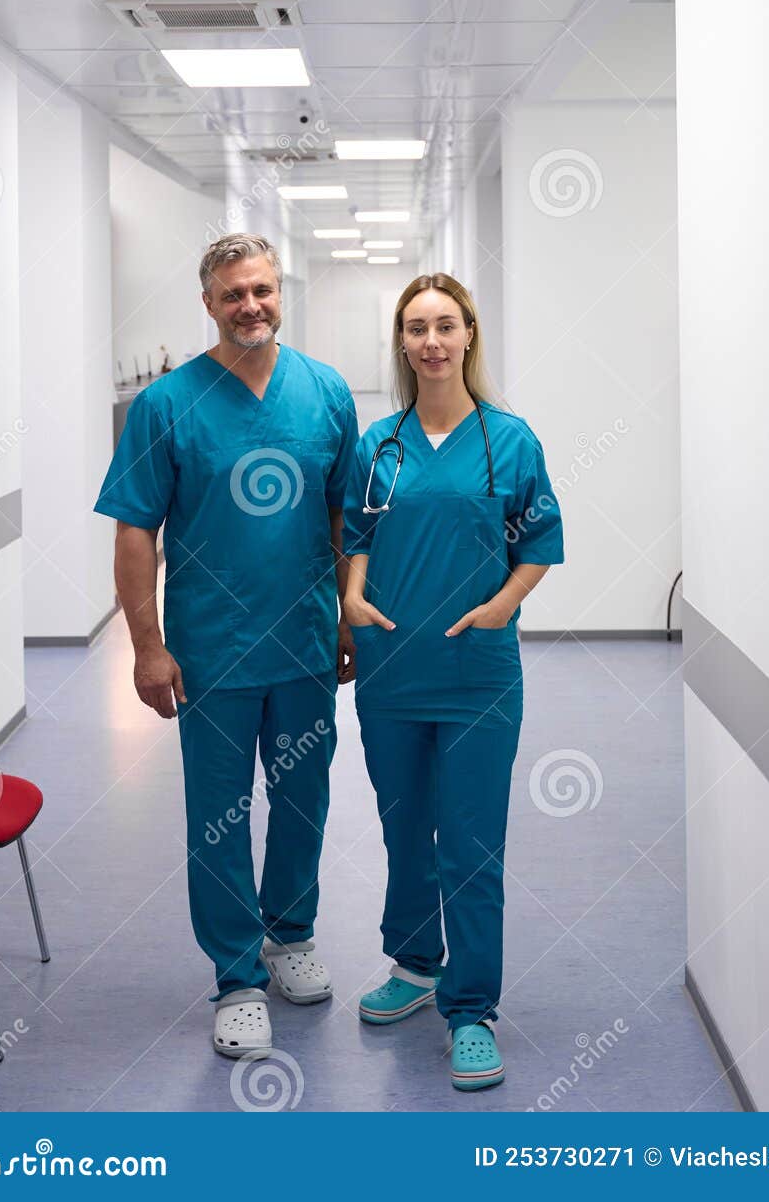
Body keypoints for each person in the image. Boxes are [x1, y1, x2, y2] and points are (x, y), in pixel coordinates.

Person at [93, 234, 357, 1061]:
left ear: (282, 295)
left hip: (307, 639)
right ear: (207, 303)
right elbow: (136, 531)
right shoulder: (167, 405)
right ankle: (237, 978)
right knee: (218, 816)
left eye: (264, 290)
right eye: (234, 293)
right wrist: (147, 646)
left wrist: (349, 616)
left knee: (303, 800)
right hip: (210, 648)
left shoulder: (325, 392)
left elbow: (346, 515)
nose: (252, 305)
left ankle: (292, 936)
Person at [342, 273, 563, 1092]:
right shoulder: (379, 445)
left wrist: (500, 605)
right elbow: (356, 532)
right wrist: (352, 595)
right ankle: (414, 964)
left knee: (469, 845)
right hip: (391, 668)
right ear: (401, 343)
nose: (430, 341)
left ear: (468, 333)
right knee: (403, 830)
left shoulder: (509, 440)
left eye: (444, 325)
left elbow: (538, 539)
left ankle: (470, 1011)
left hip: (476, 674)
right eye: (415, 328)